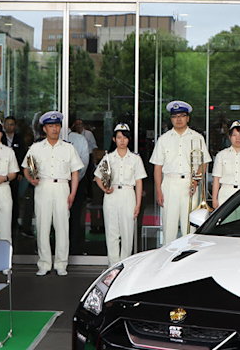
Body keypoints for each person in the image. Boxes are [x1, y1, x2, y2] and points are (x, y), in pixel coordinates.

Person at [22, 111, 83, 275]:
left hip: (62, 186)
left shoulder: (69, 148)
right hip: (43, 186)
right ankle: (44, 263)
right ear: (44, 128)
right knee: (42, 226)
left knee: (62, 226)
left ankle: (61, 263)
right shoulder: (36, 148)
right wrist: (30, 179)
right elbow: (26, 167)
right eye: (51, 126)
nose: (54, 129)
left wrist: (73, 193)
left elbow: (75, 172)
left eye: (57, 126)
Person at [152, 101, 211, 242]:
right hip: (170, 184)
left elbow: (204, 163)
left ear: (188, 118)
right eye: (175, 116)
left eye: (182, 116)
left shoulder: (197, 138)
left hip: (190, 185)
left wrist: (196, 180)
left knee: (189, 228)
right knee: (169, 226)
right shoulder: (163, 139)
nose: (178, 119)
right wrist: (159, 191)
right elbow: (157, 167)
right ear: (171, 119)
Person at [97, 123, 146, 264]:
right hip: (112, 195)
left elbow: (139, 183)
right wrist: (104, 189)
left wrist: (138, 204)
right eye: (119, 137)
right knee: (112, 232)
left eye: (125, 137)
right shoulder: (108, 158)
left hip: (128, 194)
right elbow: (98, 177)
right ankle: (112, 265)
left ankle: (125, 265)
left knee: (127, 233)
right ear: (114, 139)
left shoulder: (135, 159)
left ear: (129, 139)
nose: (122, 140)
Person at [65, 114, 93, 249]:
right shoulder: (80, 139)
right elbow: (84, 162)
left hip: (65, 183)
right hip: (76, 182)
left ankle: (68, 244)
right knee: (74, 214)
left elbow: (84, 162)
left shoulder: (80, 139)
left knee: (64, 215)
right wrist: (76, 180)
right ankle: (74, 243)